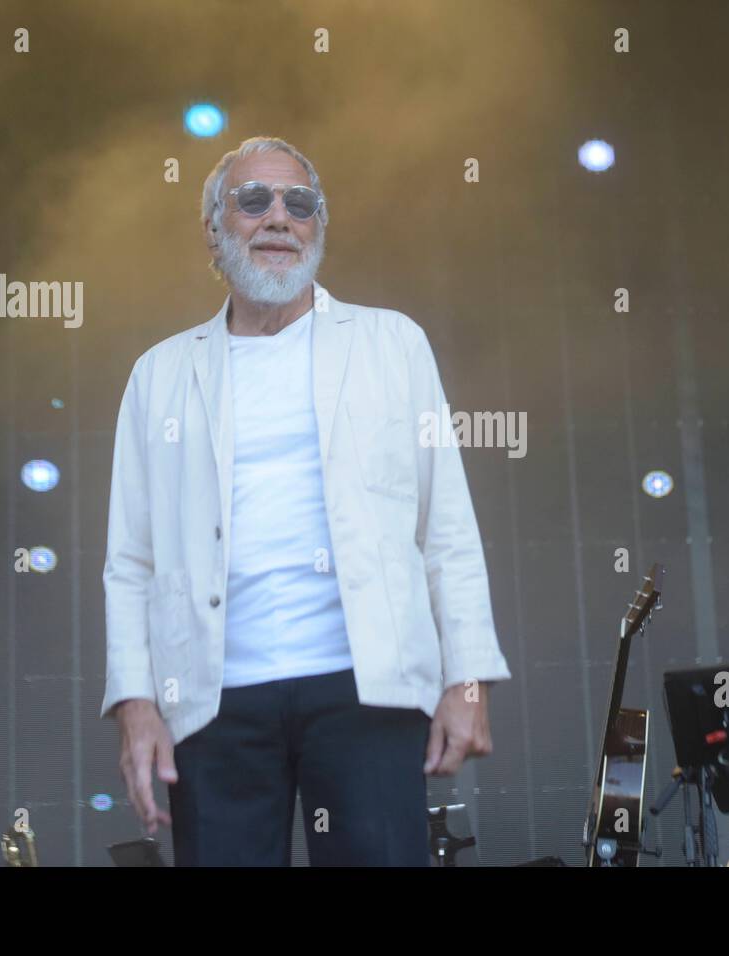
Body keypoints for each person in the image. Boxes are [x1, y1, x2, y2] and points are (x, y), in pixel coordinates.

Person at [100, 135, 511, 865]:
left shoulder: (392, 344)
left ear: (319, 225)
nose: (278, 218)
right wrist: (136, 706)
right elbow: (131, 561)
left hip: (368, 690)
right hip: (213, 702)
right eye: (253, 200)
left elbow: (446, 526)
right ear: (214, 229)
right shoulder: (160, 374)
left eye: (299, 203)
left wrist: (467, 679)